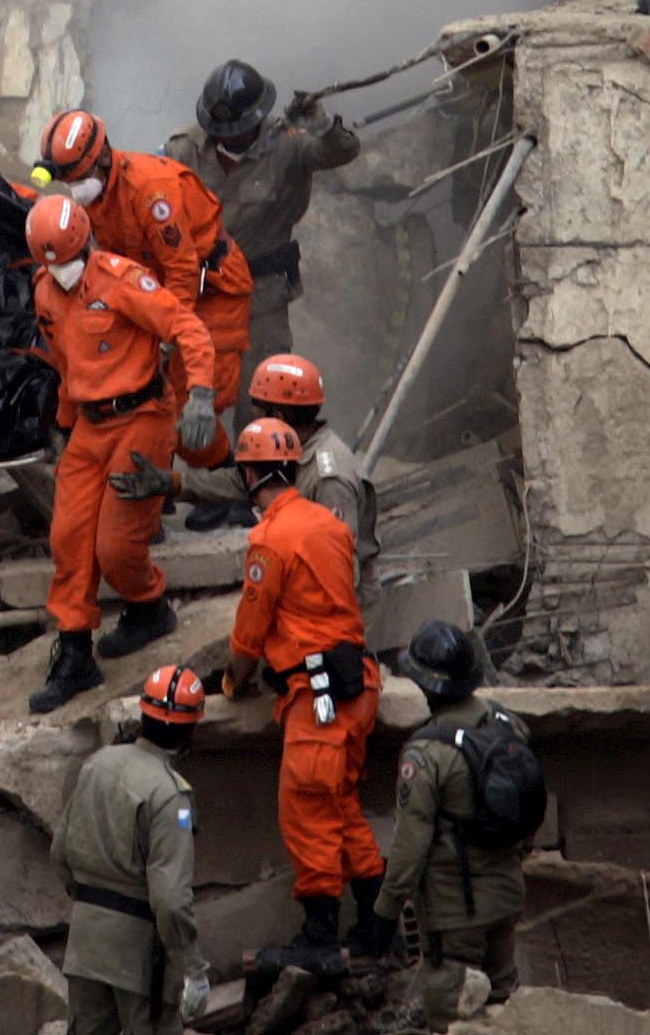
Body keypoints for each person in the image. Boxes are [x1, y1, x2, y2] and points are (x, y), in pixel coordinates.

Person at [22, 195, 219, 713]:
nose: (61, 273)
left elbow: (186, 328)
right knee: (68, 538)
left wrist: (200, 395)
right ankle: (74, 651)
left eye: (66, 260)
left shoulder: (122, 281)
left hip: (141, 419)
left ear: (85, 243)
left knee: (115, 547)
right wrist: (64, 430)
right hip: (90, 426)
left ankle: (149, 604)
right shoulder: (45, 290)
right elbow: (66, 364)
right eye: (51, 264)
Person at [224, 418, 387, 973]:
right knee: (342, 809)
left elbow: (250, 628)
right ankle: (374, 926)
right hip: (356, 685)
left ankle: (321, 934)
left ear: (249, 473)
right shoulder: (329, 524)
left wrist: (232, 680)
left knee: (308, 814)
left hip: (318, 698)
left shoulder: (269, 538)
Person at [165, 62, 360, 459]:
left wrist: (322, 124)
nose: (229, 138)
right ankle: (202, 483)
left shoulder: (289, 144)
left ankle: (256, 482)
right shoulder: (186, 148)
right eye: (221, 131)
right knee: (191, 389)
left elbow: (341, 151)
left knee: (261, 391)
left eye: (238, 130)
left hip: (261, 294)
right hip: (205, 293)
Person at [37, 110, 253, 466]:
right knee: (151, 394)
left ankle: (224, 480)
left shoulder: (151, 191)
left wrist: (168, 339)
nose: (76, 189)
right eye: (69, 181)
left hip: (211, 290)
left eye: (80, 177)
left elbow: (182, 270)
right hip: (159, 290)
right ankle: (159, 484)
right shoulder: (94, 198)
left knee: (192, 402)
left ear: (104, 157)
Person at [373, 621, 539, 1031]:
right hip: (506, 898)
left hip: (456, 913)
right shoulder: (508, 723)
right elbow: (530, 802)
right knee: (505, 1011)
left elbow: (410, 849)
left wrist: (384, 913)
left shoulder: (427, 753)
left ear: (426, 685)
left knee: (452, 1017)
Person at [114, 355, 379, 593]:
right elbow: (236, 482)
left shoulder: (327, 477)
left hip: (337, 611)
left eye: (257, 409)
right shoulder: (288, 450)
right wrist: (170, 483)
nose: (253, 418)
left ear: (278, 414)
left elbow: (339, 569)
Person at [55, 664, 212, 1034]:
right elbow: (171, 899)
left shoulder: (96, 766)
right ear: (190, 729)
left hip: (85, 945)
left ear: (144, 714)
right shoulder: (171, 795)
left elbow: (60, 854)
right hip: (140, 960)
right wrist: (192, 967)